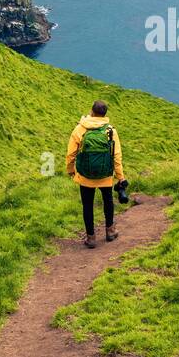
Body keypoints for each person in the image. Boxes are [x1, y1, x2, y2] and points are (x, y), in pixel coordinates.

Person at [65, 100, 125, 248]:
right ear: (105, 114)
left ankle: (91, 238)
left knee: (87, 205)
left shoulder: (80, 129)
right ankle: (110, 231)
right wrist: (120, 177)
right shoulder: (110, 131)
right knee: (108, 201)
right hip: (105, 174)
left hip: (85, 176)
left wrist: (71, 170)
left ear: (91, 111)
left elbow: (71, 154)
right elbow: (117, 156)